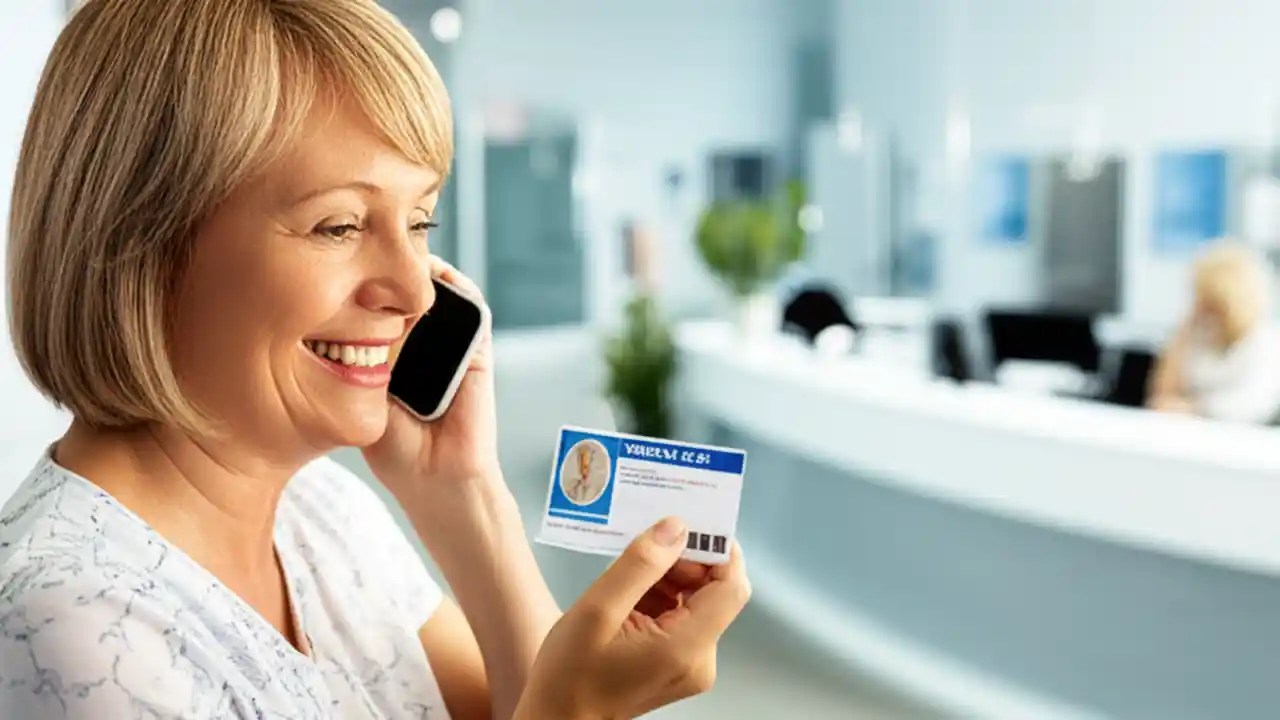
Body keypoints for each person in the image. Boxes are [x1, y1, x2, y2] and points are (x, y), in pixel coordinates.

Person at [0, 1, 750, 718]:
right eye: (339, 225)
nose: (416, 290)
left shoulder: (324, 514)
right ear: (141, 246)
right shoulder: (73, 632)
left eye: (420, 220)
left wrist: (466, 498)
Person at [1147, 240, 1280, 423]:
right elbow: (1161, 396)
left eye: (1212, 303)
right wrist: (1183, 334)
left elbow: (1252, 405)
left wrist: (1193, 409)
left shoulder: (1265, 341)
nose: (1203, 310)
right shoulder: (1199, 334)